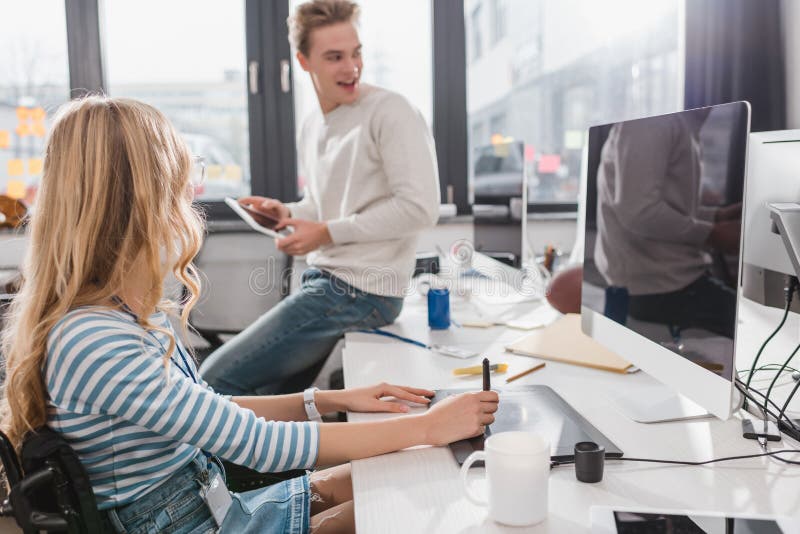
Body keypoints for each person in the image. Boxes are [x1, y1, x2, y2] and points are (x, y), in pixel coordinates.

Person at [0, 96, 499, 533]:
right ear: (139, 202)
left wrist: (331, 398)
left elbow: (212, 408)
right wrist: (428, 428)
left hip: (213, 509)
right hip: (202, 523)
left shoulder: (119, 315)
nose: (188, 200)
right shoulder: (95, 340)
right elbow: (256, 444)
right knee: (398, 501)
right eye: (179, 184)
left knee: (396, 475)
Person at [199, 0, 441, 396]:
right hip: (326, 284)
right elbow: (323, 204)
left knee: (211, 379)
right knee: (274, 401)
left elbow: (420, 208)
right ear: (304, 61)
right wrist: (285, 212)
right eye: (334, 57)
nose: (351, 67)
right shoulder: (312, 125)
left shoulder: (391, 111)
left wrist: (326, 232)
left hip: (362, 291)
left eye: (356, 53)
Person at [594, 107, 742, 338]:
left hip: (657, 283)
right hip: (660, 288)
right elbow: (639, 212)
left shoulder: (675, 122)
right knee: (759, 331)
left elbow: (662, 204)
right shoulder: (653, 122)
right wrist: (712, 234)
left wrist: (716, 217)